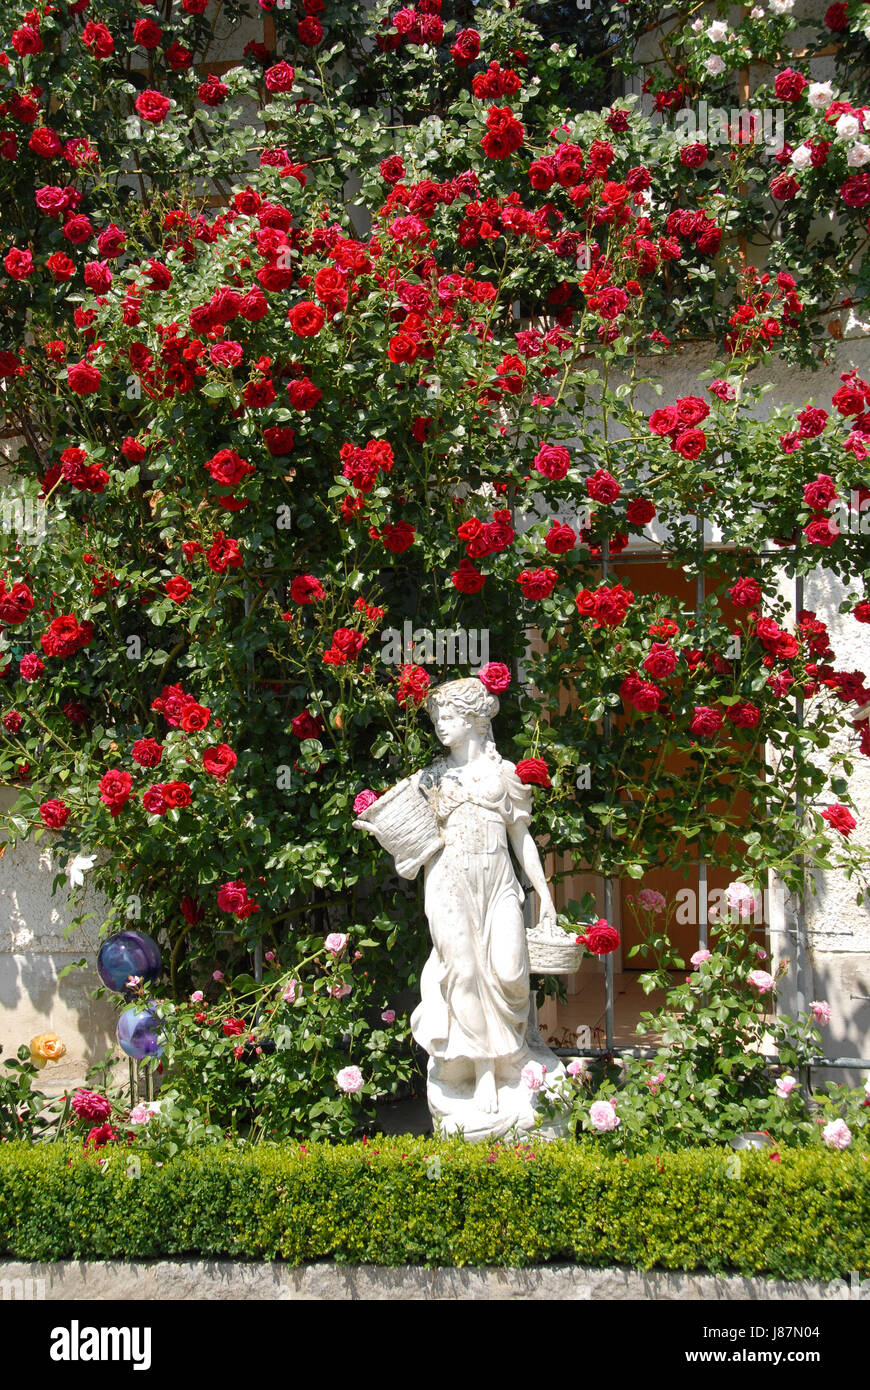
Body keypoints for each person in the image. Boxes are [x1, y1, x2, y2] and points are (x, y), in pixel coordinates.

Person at [408, 676, 559, 1119]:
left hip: (497, 884)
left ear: (474, 720)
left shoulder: (503, 774)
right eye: (437, 718)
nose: (440, 726)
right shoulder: (431, 777)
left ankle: (513, 1056)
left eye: (449, 717)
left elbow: (522, 839)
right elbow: (414, 842)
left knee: (510, 970)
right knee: (465, 974)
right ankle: (485, 1070)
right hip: (449, 886)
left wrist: (545, 895)